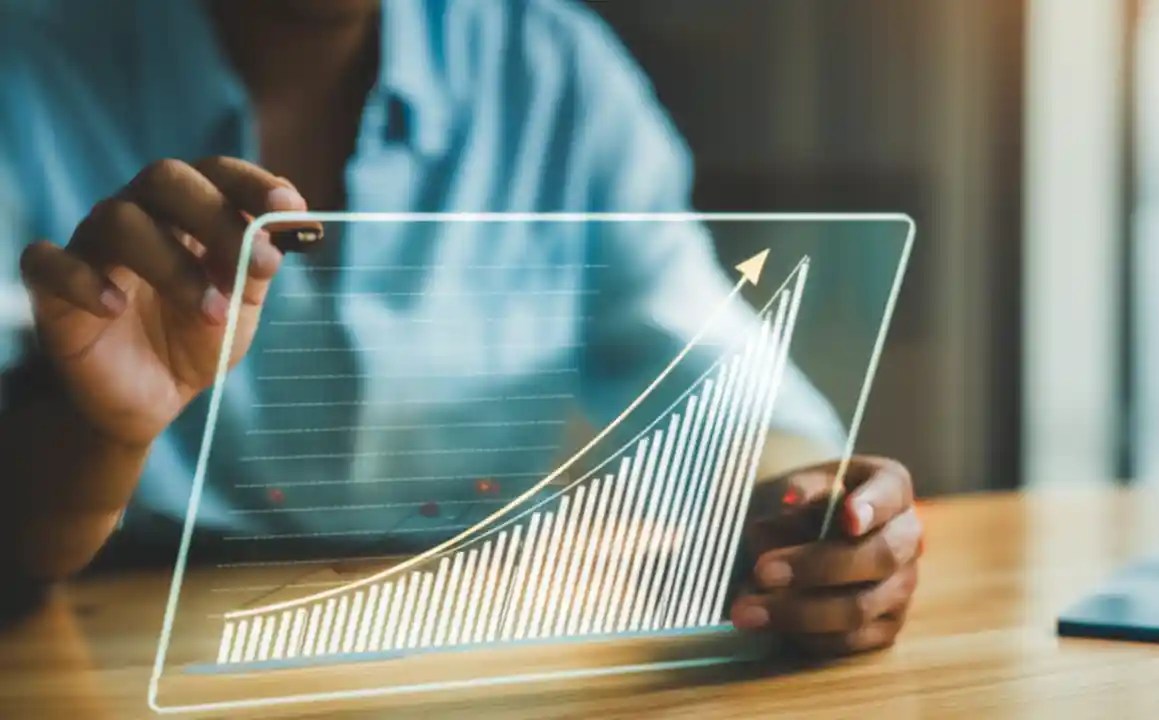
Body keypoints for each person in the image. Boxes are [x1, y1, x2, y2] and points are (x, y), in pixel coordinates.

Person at [0, 0, 921, 656]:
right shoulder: (23, 67)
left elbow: (715, 384)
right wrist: (92, 432)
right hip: (91, 649)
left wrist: (812, 513)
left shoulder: (553, 67)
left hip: (466, 654)